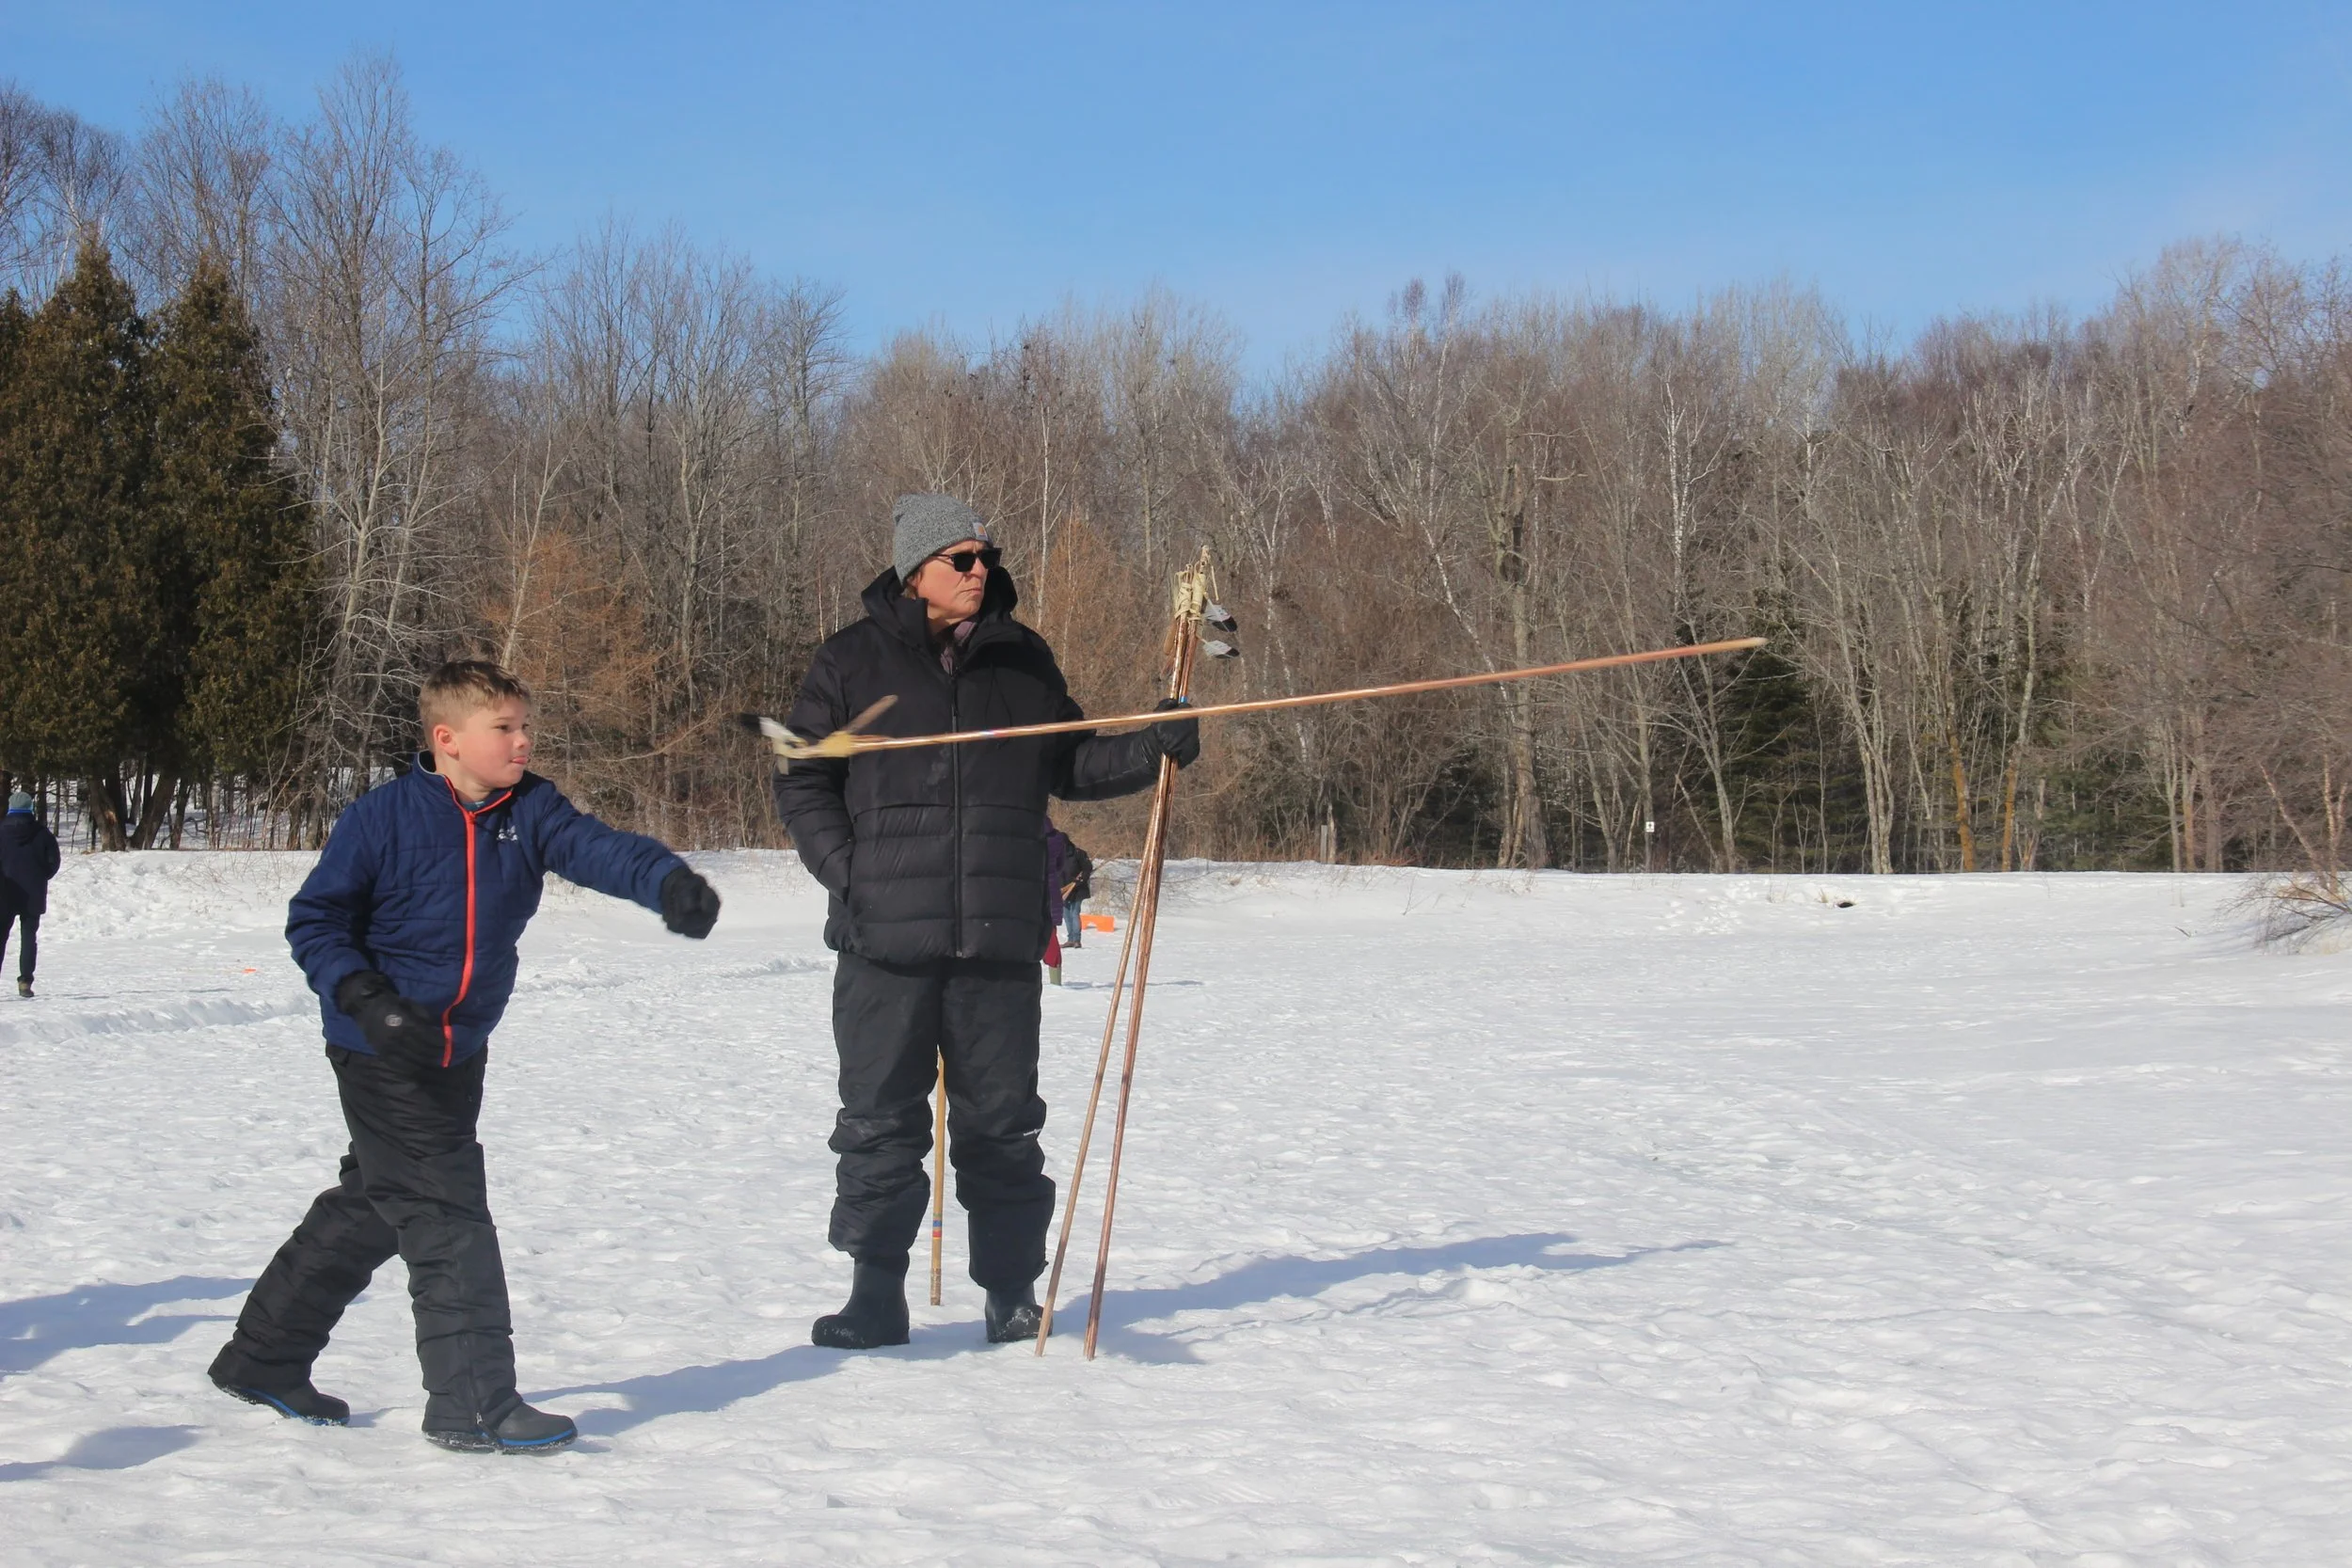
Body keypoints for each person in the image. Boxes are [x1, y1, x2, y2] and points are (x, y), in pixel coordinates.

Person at [207, 659, 723, 1453]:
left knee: (380, 1200)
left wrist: (669, 882)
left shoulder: (532, 810)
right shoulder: (382, 819)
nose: (523, 742)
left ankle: (263, 1356)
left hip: (458, 1045)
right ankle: (474, 1401)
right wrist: (364, 998)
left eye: (526, 726)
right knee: (447, 1214)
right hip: (378, 1047)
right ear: (447, 740)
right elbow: (314, 920)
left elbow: (601, 848)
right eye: (505, 729)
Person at [772, 494, 1198, 1349]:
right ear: (914, 569)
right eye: (961, 558)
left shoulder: (1022, 658)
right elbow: (801, 777)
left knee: (1003, 1124)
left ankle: (1010, 1291)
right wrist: (850, 875)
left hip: (999, 937)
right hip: (883, 940)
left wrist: (1152, 742)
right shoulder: (852, 663)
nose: (980, 571)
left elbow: (1071, 760)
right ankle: (874, 1293)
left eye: (985, 556)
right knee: (879, 1121)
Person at [1, 789, 61, 999]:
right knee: (28, 938)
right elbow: (53, 862)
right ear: (30, 809)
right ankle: (25, 982)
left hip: (4, 894)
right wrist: (40, 877)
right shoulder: (42, 833)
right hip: (33, 893)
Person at [1057, 831, 1094, 950]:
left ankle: (1077, 940)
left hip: (1077, 889)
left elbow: (1088, 868)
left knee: (1074, 913)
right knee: (1066, 915)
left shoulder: (1079, 853)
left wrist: (1081, 880)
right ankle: (1070, 939)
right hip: (1062, 890)